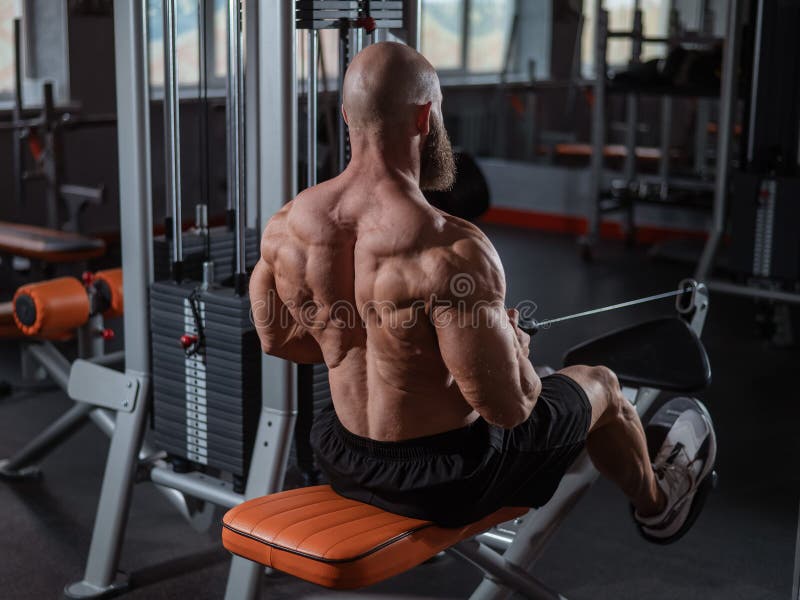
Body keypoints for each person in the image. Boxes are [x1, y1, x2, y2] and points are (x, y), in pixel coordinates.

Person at [249, 42, 716, 542]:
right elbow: (509, 409)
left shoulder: (286, 227)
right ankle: (660, 503)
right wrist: (513, 345)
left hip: (343, 458)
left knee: (515, 380)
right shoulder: (451, 249)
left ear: (347, 117)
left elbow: (278, 342)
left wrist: (367, 343)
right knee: (599, 382)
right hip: (446, 484)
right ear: (425, 117)